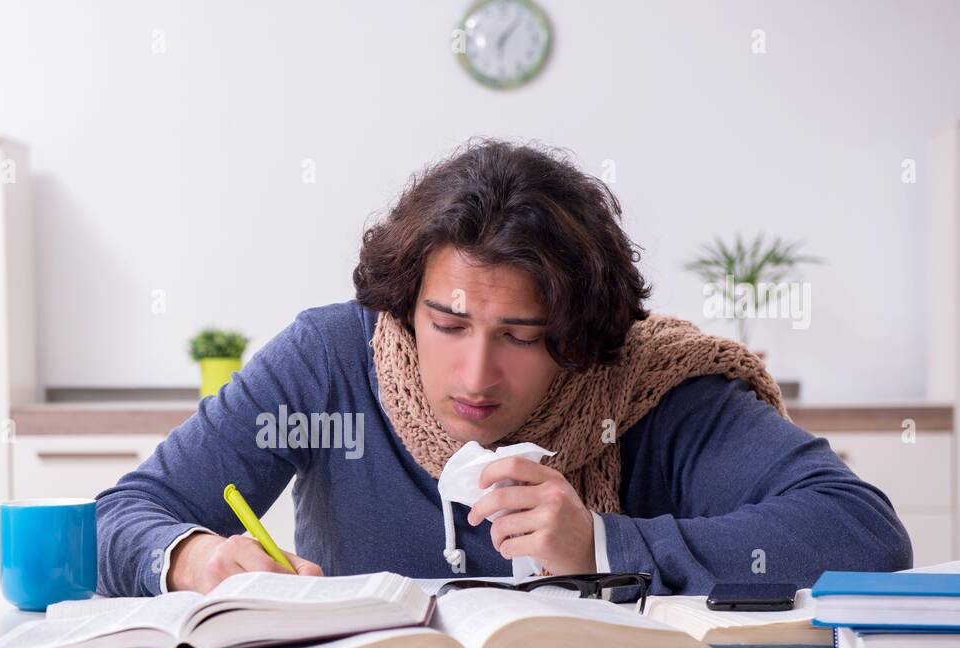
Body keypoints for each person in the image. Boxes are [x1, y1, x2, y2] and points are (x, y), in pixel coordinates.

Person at [95, 139, 912, 598]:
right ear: (404, 306)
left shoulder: (654, 387)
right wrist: (191, 556)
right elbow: (126, 511)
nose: (476, 372)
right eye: (448, 323)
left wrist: (603, 541)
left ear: (581, 332)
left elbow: (864, 534)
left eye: (523, 335)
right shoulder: (328, 361)